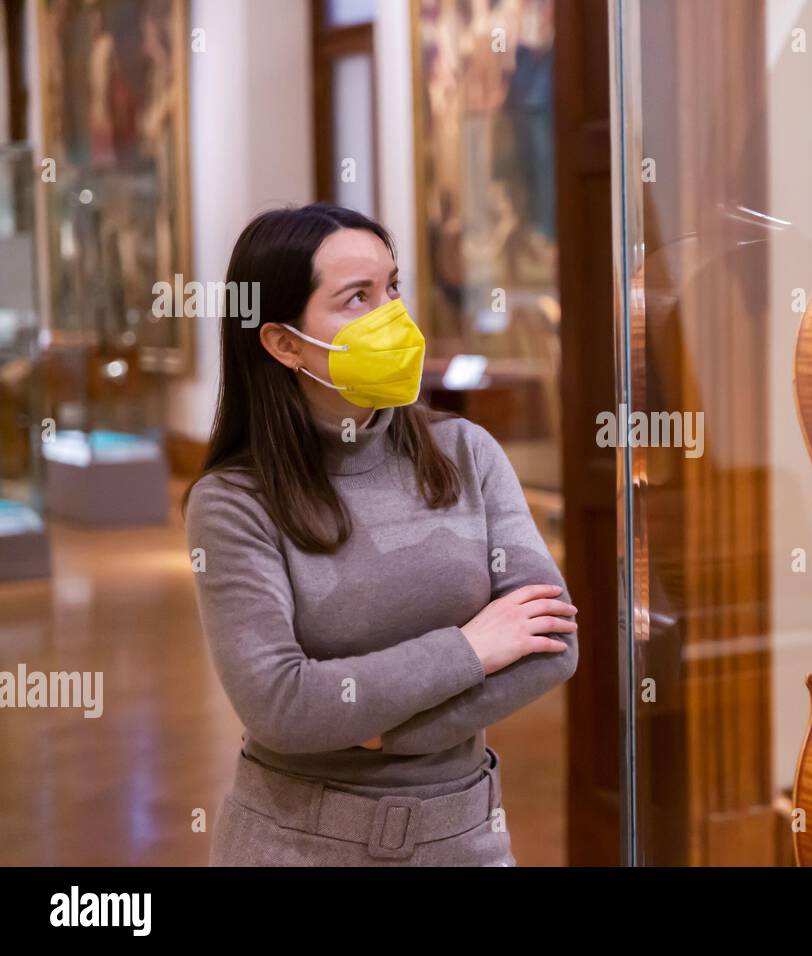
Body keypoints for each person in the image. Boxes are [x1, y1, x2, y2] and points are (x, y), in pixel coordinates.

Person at [183, 202, 577, 865]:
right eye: (356, 298)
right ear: (283, 342)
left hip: (466, 838)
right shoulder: (232, 504)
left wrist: (379, 735)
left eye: (392, 287)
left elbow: (551, 644)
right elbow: (281, 704)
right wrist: (470, 649)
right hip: (297, 842)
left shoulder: (466, 452)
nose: (392, 314)